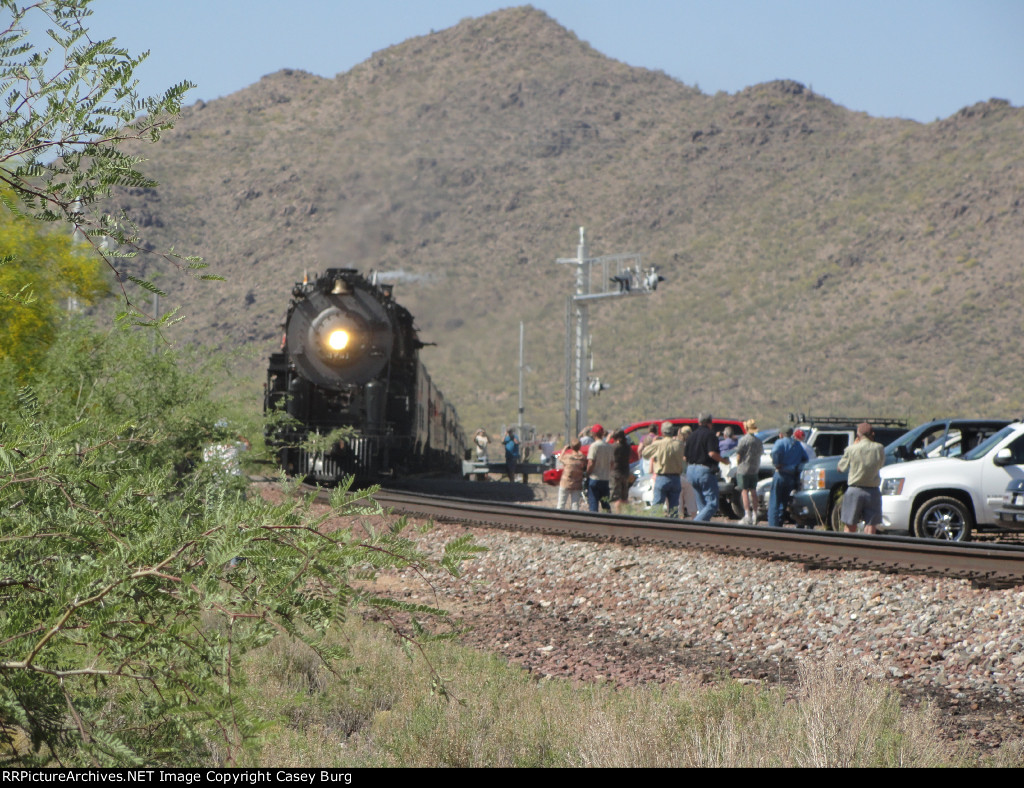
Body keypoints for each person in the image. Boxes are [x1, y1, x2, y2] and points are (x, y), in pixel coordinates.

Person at [837, 422, 887, 534]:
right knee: (871, 525)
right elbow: (881, 464)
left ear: (858, 434)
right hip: (872, 491)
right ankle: (868, 549)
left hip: (854, 490)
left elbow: (840, 468)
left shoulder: (851, 449)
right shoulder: (879, 448)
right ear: (872, 434)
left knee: (850, 525)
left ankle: (848, 548)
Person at [685, 413, 728, 522]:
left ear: (699, 422)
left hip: (690, 470)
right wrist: (724, 461)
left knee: (702, 505)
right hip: (704, 470)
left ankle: (702, 531)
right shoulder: (710, 435)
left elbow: (685, 457)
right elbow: (712, 453)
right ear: (710, 423)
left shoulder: (691, 436)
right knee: (712, 504)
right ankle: (696, 525)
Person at [642, 421, 690, 517]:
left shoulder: (658, 444)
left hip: (662, 477)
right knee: (673, 509)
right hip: (676, 478)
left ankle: (653, 528)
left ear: (662, 431)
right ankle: (673, 528)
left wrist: (654, 443)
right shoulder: (679, 444)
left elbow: (645, 453)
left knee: (656, 507)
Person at [768, 427, 808, 528]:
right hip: (791, 476)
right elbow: (806, 458)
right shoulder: (797, 444)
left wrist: (777, 463)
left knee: (774, 501)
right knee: (784, 502)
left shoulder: (780, 442)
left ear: (781, 433)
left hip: (780, 474)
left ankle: (773, 526)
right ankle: (780, 522)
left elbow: (774, 452)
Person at [734, 418, 763, 525]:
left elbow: (738, 455)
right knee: (753, 491)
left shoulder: (743, 440)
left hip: (744, 468)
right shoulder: (758, 441)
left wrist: (738, 465)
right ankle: (755, 514)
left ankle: (747, 515)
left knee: (744, 491)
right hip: (754, 468)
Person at [585, 424, 613, 512]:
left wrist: (587, 473)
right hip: (605, 479)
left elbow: (591, 462)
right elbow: (612, 463)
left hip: (595, 478)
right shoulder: (609, 446)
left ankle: (593, 523)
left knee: (593, 504)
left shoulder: (594, 446)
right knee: (605, 505)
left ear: (593, 434)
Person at [557, 438, 586, 510]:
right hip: (577, 483)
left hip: (565, 482)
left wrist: (564, 449)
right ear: (580, 447)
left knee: (561, 504)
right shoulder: (582, 458)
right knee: (575, 505)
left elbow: (560, 458)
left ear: (571, 447)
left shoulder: (568, 457)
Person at [609, 429, 632, 514]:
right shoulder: (627, 447)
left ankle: (618, 515)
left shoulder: (614, 447)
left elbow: (607, 449)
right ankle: (629, 512)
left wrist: (608, 439)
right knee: (624, 497)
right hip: (625, 472)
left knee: (616, 497)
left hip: (616, 473)